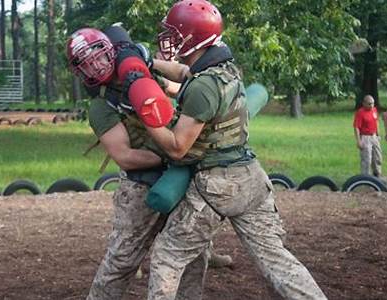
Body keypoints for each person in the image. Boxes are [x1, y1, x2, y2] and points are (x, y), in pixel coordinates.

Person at [137, 1, 327, 299]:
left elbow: (176, 148)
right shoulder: (224, 69)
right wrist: (148, 63)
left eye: (174, 33)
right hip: (250, 178)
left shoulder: (203, 87)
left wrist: (145, 115)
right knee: (277, 262)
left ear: (191, 38)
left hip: (217, 186)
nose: (168, 39)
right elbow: (184, 74)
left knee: (167, 256)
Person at [65, 25, 229, 300]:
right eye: (87, 65)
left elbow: (181, 82)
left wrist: (199, 94)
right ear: (80, 72)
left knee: (192, 251)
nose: (97, 66)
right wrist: (175, 153)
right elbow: (125, 156)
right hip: (141, 185)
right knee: (123, 259)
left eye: (99, 57)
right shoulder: (101, 106)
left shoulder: (140, 72)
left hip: (177, 172)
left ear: (110, 52)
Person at [353, 95, 382, 177]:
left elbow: (376, 122)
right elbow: (356, 127)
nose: (371, 105)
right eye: (369, 104)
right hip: (365, 137)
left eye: (373, 103)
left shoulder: (374, 110)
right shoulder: (360, 113)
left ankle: (377, 175)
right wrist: (358, 141)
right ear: (364, 103)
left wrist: (378, 134)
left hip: (374, 136)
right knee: (367, 159)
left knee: (377, 157)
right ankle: (365, 177)